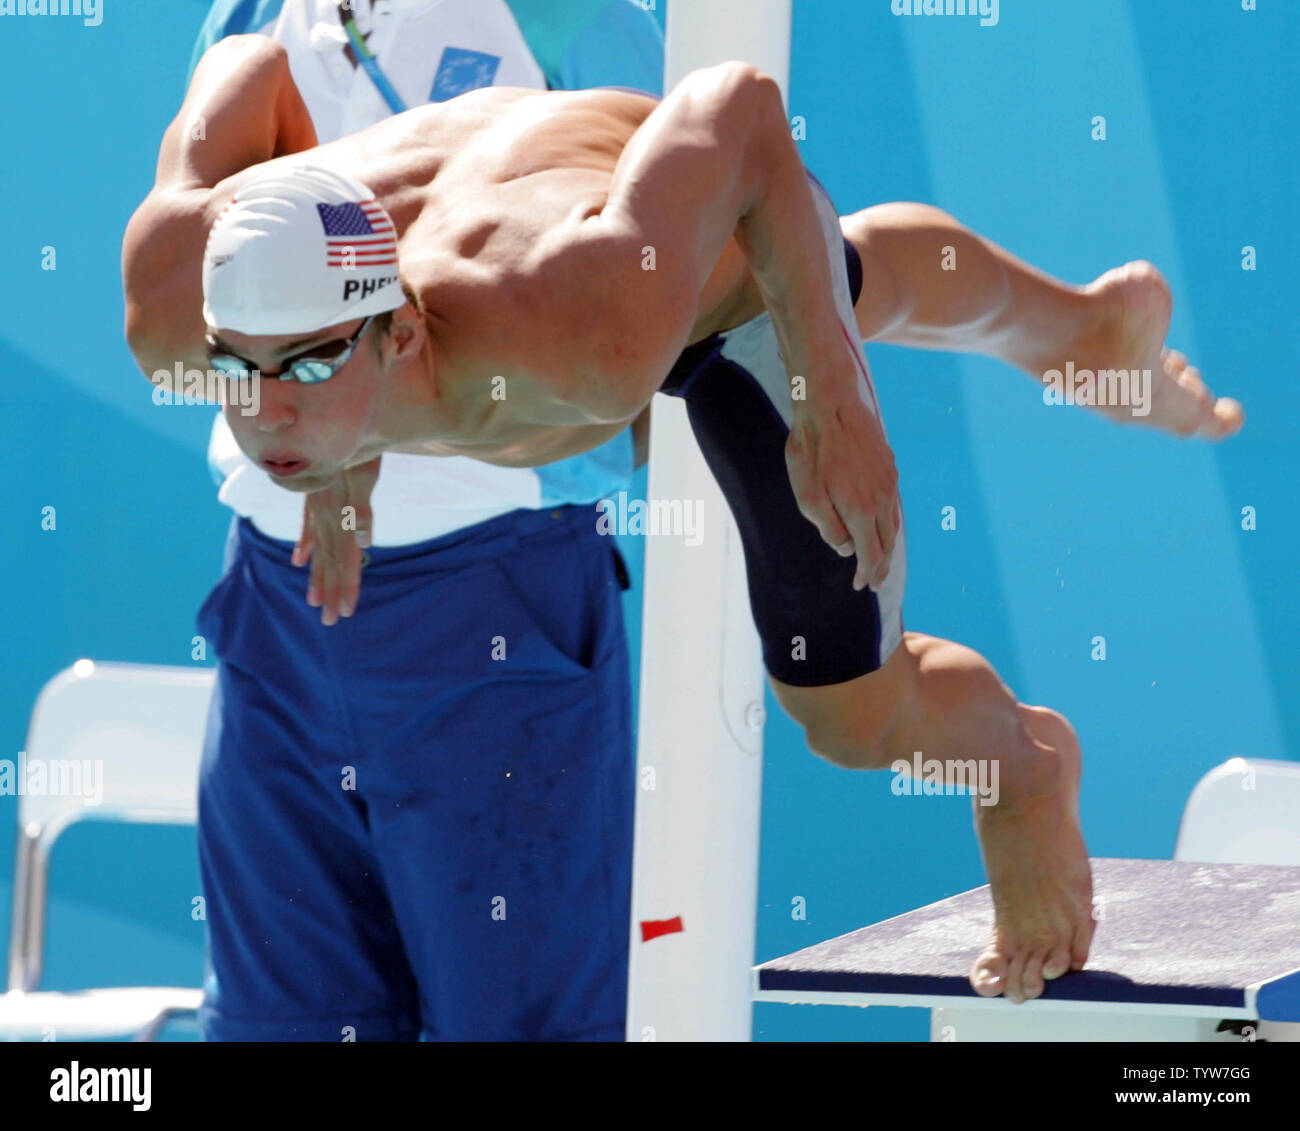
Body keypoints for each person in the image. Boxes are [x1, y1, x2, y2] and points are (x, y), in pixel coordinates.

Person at [123, 35, 1244, 1010]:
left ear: (401, 338)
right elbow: (251, 64)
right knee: (863, 274)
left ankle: (1020, 768)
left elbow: (742, 108)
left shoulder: (578, 320)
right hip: (504, 214)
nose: (260, 409)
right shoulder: (179, 301)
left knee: (849, 717)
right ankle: (1091, 333)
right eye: (239, 368)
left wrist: (830, 393)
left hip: (676, 265)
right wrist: (335, 449)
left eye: (309, 366)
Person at [173, 1, 664, 1042]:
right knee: (280, 1027)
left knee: (523, 1029)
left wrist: (363, 442)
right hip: (275, 600)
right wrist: (324, 454)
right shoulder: (250, 16)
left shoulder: (578, 19)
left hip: (493, 598)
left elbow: (672, 274)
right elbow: (205, 279)